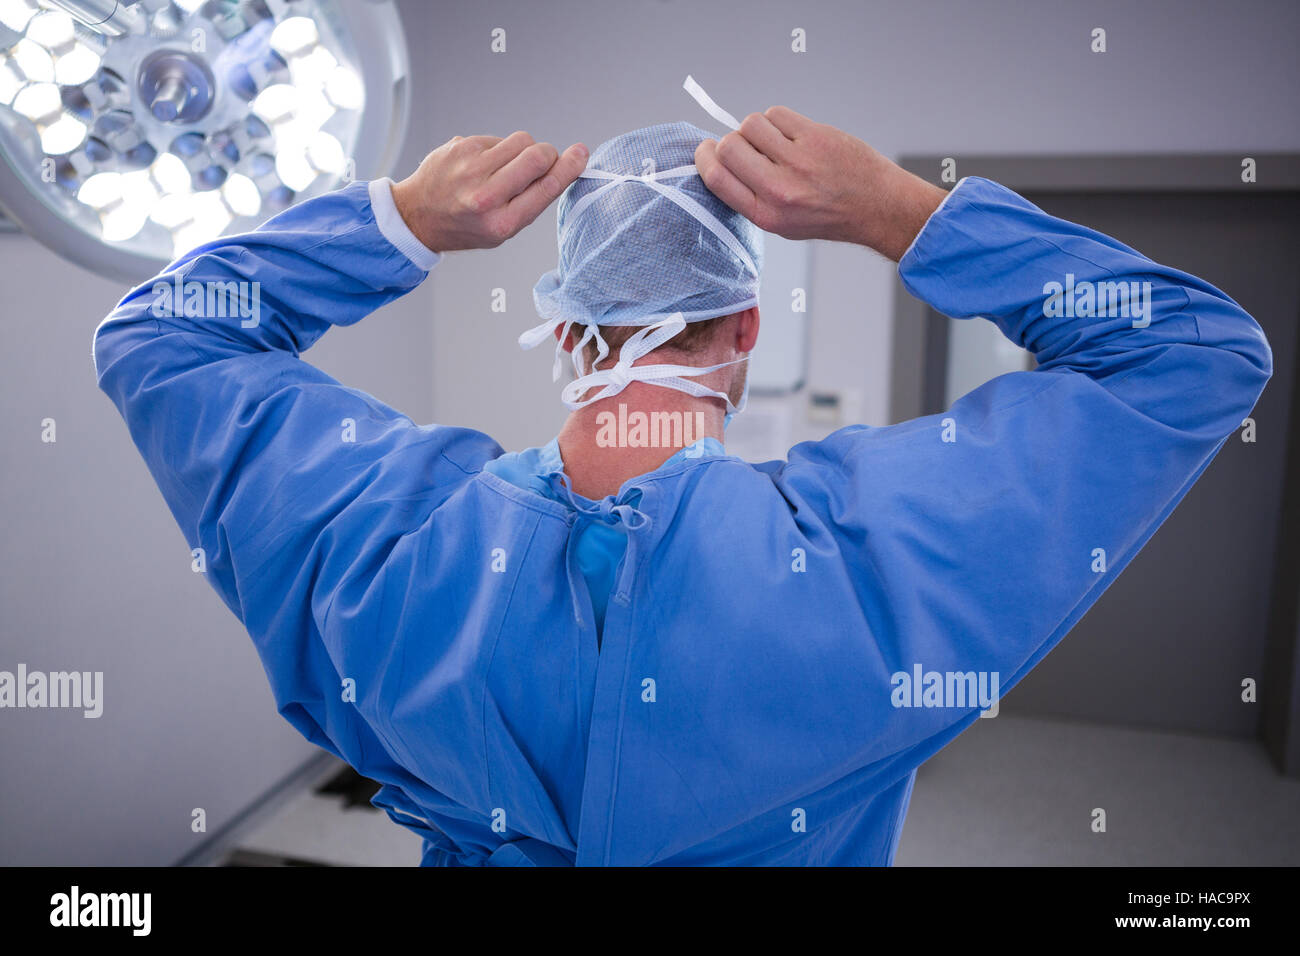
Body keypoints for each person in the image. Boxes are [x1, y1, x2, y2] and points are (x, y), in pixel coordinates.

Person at [93, 101, 1271, 866]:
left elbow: (159, 340)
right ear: (747, 321)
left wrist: (397, 224)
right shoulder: (876, 562)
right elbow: (1195, 352)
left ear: (564, 329)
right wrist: (900, 211)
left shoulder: (381, 545)